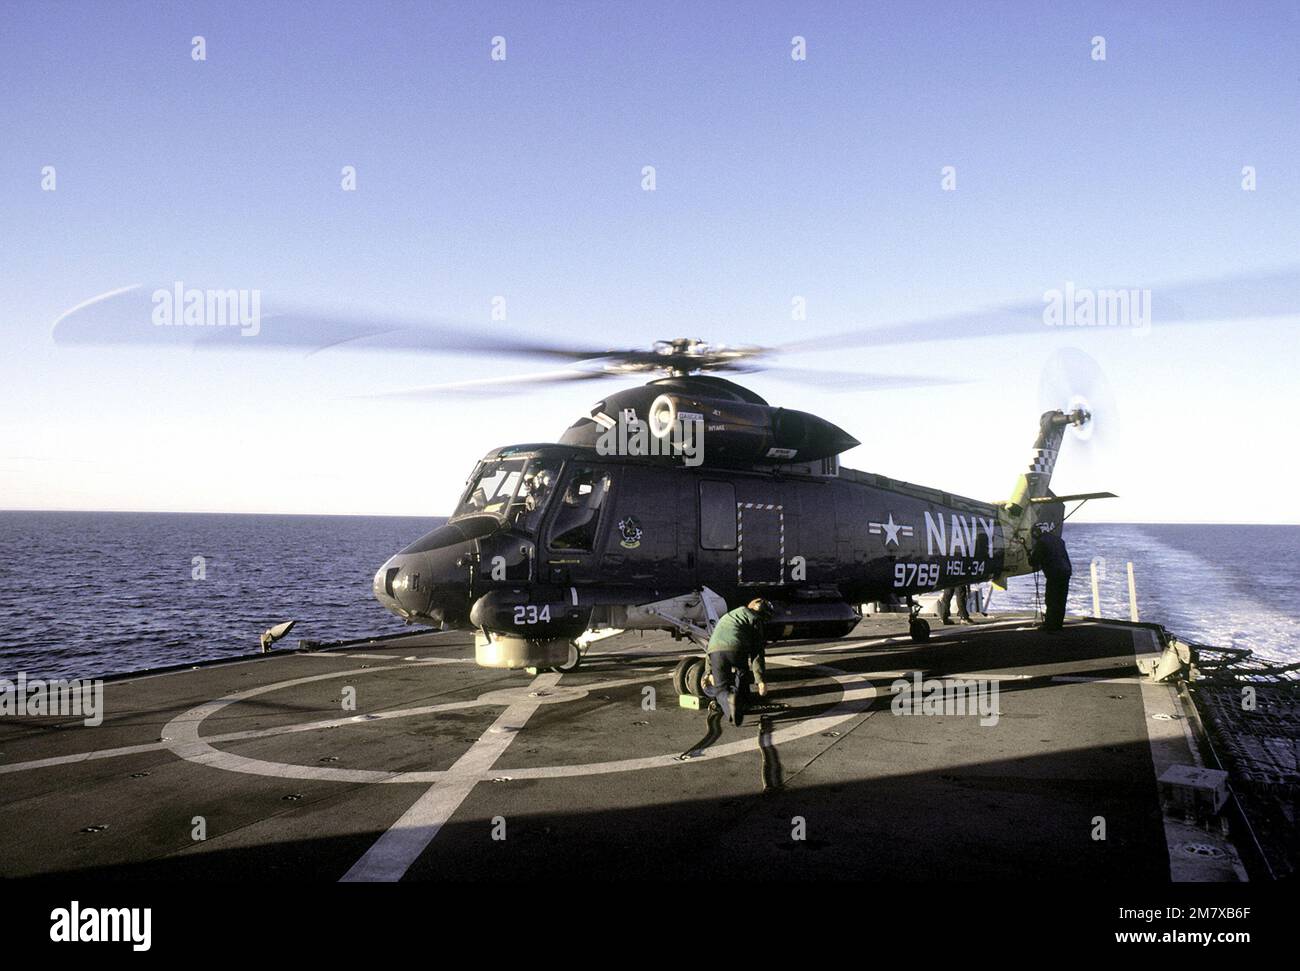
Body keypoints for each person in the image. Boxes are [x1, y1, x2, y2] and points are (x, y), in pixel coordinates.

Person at [703, 598, 774, 727]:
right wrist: (760, 680)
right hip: (737, 649)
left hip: (715, 652)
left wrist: (708, 672)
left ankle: (730, 705)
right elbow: (757, 653)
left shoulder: (728, 616)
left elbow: (713, 642)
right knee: (742, 678)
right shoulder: (755, 618)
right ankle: (739, 703)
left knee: (720, 689)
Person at [1029, 522, 1072, 632]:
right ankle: (1058, 625)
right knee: (1061, 600)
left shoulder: (1041, 542)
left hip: (1054, 574)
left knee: (1051, 600)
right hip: (1066, 572)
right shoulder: (1059, 540)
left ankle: (1050, 626)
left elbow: (1034, 562)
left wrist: (1030, 555)